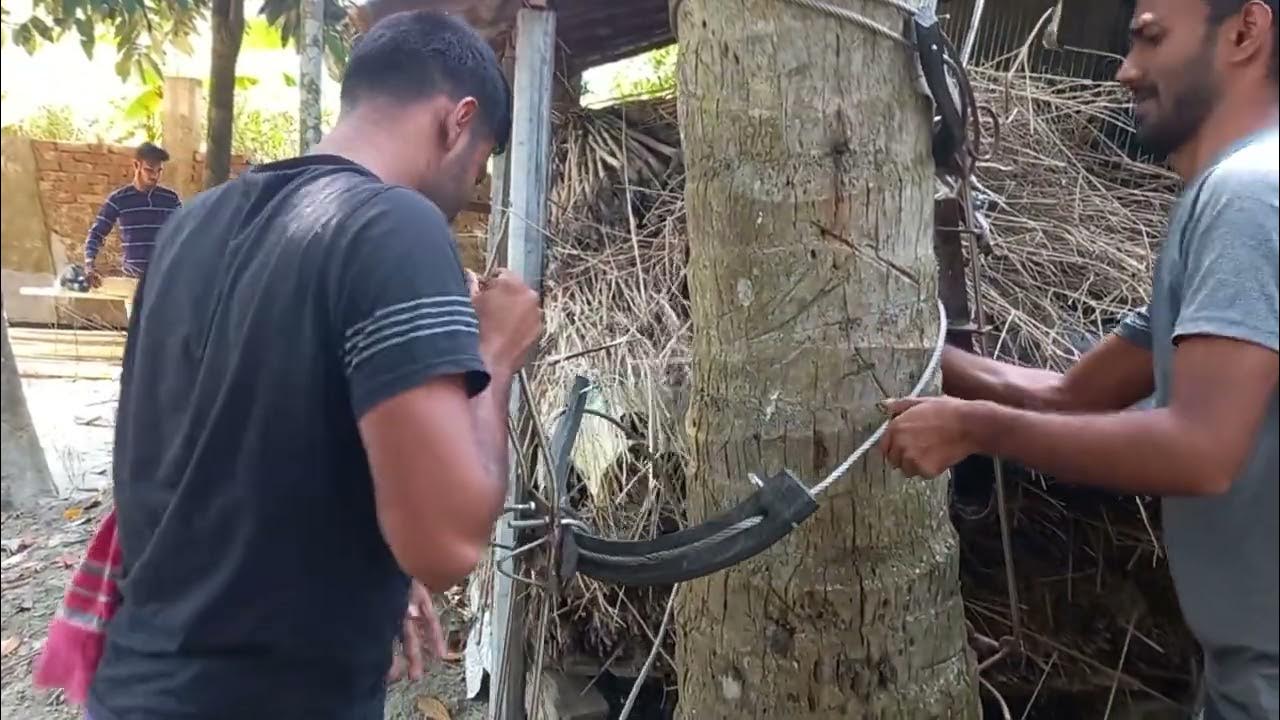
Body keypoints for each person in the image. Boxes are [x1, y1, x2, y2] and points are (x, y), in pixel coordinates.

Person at [86, 11, 540, 720]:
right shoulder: (394, 224)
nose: (467, 190)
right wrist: (495, 351)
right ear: (459, 120)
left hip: (135, 690)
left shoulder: (191, 228)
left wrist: (368, 562)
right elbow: (447, 545)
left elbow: (219, 460)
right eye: (479, 164)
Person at [880, 0, 1278, 718]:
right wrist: (907, 353)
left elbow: (1201, 451)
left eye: (1151, 38)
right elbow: (1071, 394)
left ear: (1246, 31)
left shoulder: (1250, 197)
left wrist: (975, 429)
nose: (1125, 70)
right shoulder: (1225, 201)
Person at [83, 141, 182, 286]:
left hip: (164, 279)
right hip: (132, 280)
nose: (154, 176)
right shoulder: (118, 199)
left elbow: (184, 232)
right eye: (149, 170)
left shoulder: (170, 199)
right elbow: (96, 233)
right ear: (136, 166)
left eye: (159, 171)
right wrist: (89, 264)